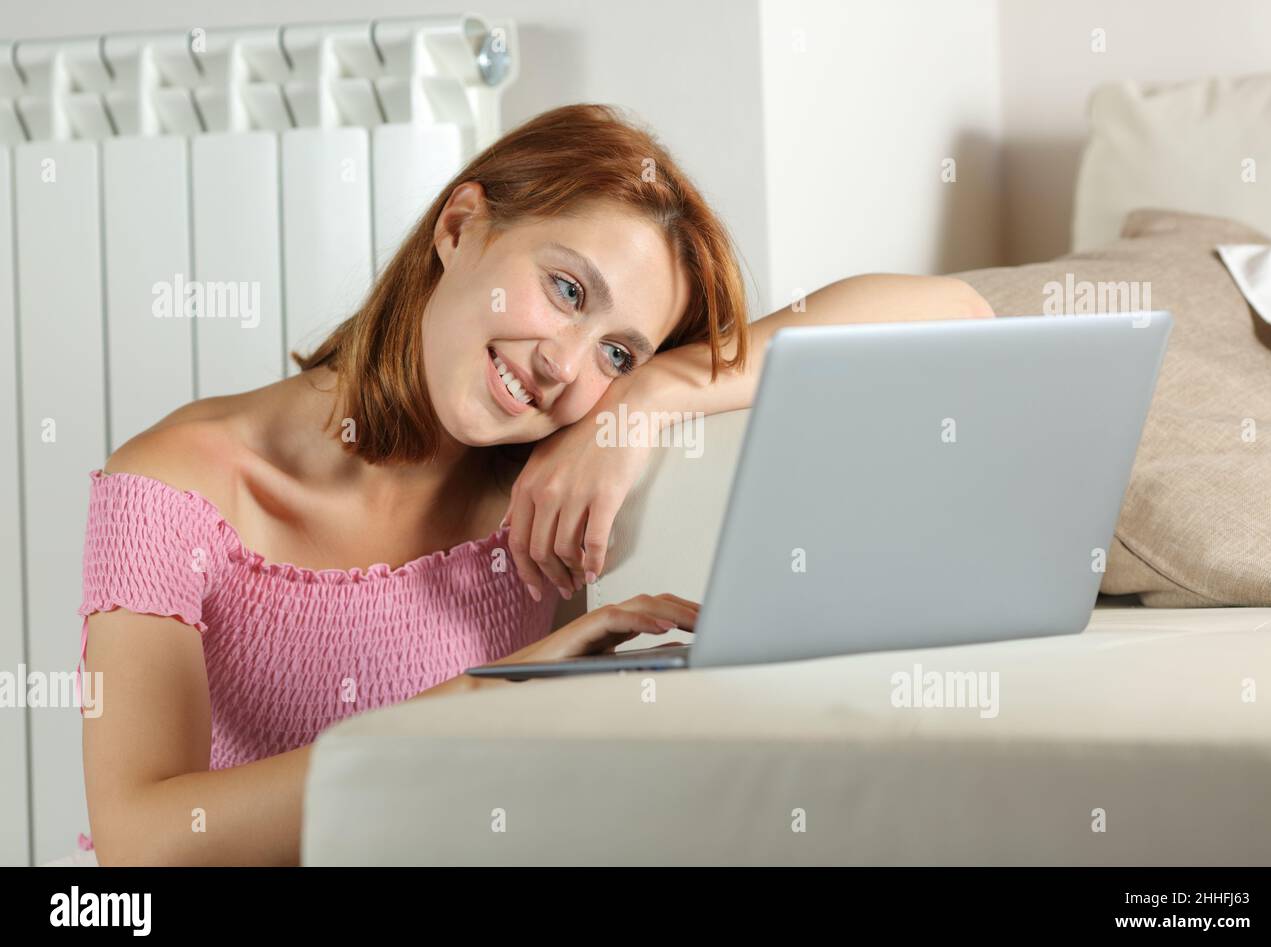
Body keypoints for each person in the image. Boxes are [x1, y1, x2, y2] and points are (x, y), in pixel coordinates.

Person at [77, 103, 994, 865]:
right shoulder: (175, 485)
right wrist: (491, 693)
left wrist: (654, 393)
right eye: (564, 289)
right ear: (460, 226)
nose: (563, 364)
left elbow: (956, 314)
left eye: (616, 349)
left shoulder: (545, 490)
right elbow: (143, 840)